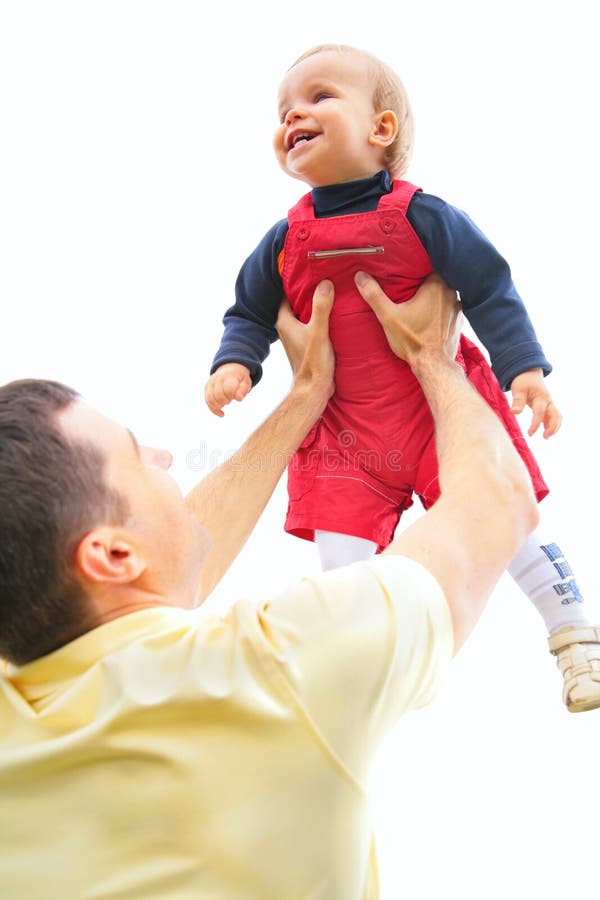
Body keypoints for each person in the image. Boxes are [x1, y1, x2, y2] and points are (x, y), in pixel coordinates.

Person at [0, 275, 540, 899]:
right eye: (136, 455)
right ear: (112, 555)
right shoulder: (275, 668)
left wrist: (308, 395)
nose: (164, 458)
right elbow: (498, 499)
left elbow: (157, 569)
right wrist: (433, 358)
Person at [205, 42, 600, 712]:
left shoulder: (426, 216)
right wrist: (235, 361)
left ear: (381, 128)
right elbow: (248, 311)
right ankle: (360, 679)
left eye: (318, 97)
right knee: (342, 570)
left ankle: (576, 637)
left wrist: (524, 368)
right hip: (344, 434)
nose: (292, 115)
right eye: (283, 109)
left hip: (438, 416)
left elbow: (489, 287)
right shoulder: (282, 239)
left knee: (504, 521)